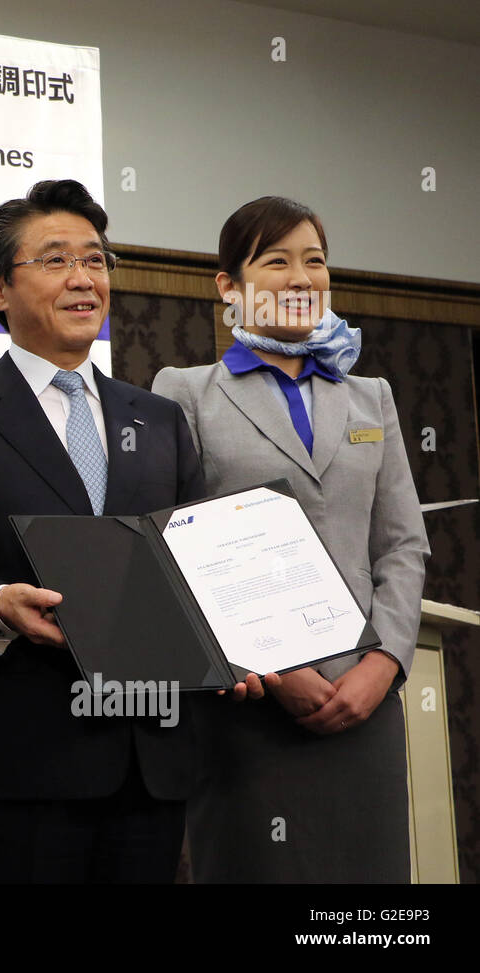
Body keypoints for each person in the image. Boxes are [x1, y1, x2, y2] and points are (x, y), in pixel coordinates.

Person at [0, 179, 207, 883]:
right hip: (17, 760)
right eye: (57, 260)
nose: (83, 279)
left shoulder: (156, 419)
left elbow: (194, 559)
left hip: (149, 758)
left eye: (96, 261)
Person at [152, 196, 429, 882]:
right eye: (276, 260)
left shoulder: (374, 399)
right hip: (251, 708)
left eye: (316, 260)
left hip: (366, 703)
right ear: (228, 286)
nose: (302, 276)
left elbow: (401, 544)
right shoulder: (186, 392)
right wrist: (275, 669)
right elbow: (177, 546)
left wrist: (385, 661)